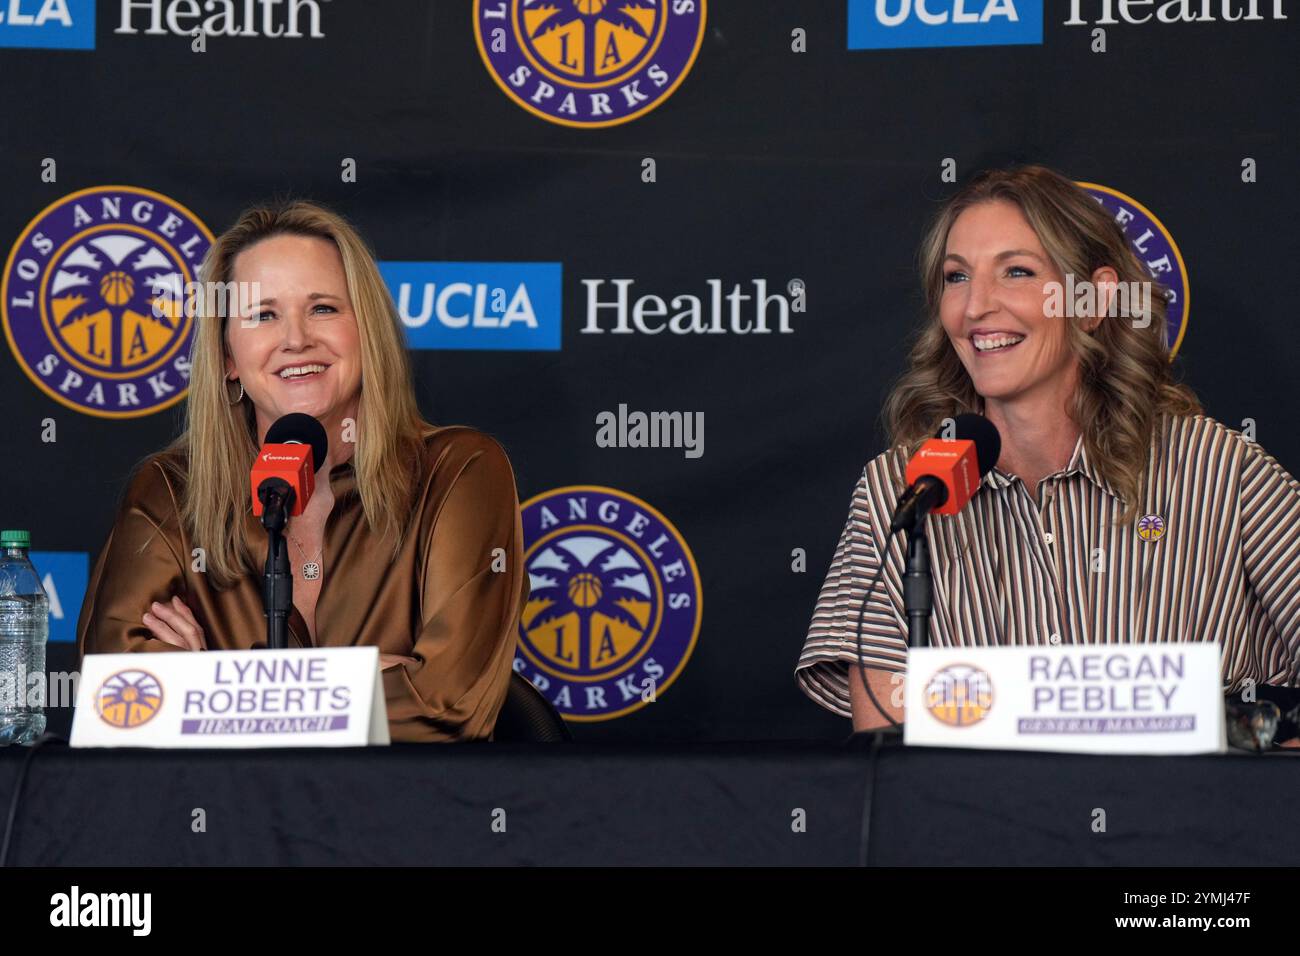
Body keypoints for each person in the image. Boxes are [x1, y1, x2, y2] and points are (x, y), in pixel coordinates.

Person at [795, 165, 1300, 733]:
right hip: (980, 821)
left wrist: (1246, 737)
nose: (976, 306)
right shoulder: (902, 489)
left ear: (1091, 301)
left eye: (1016, 272)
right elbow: (884, 732)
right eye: (956, 278)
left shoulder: (1222, 472)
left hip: (1192, 820)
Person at [76, 200, 528, 742]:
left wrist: (213, 687)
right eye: (263, 315)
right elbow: (119, 703)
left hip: (413, 818)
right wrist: (355, 685)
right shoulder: (171, 490)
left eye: (323, 309)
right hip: (226, 820)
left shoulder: (459, 471)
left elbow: (445, 705)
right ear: (226, 356)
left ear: (369, 333)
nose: (295, 339)